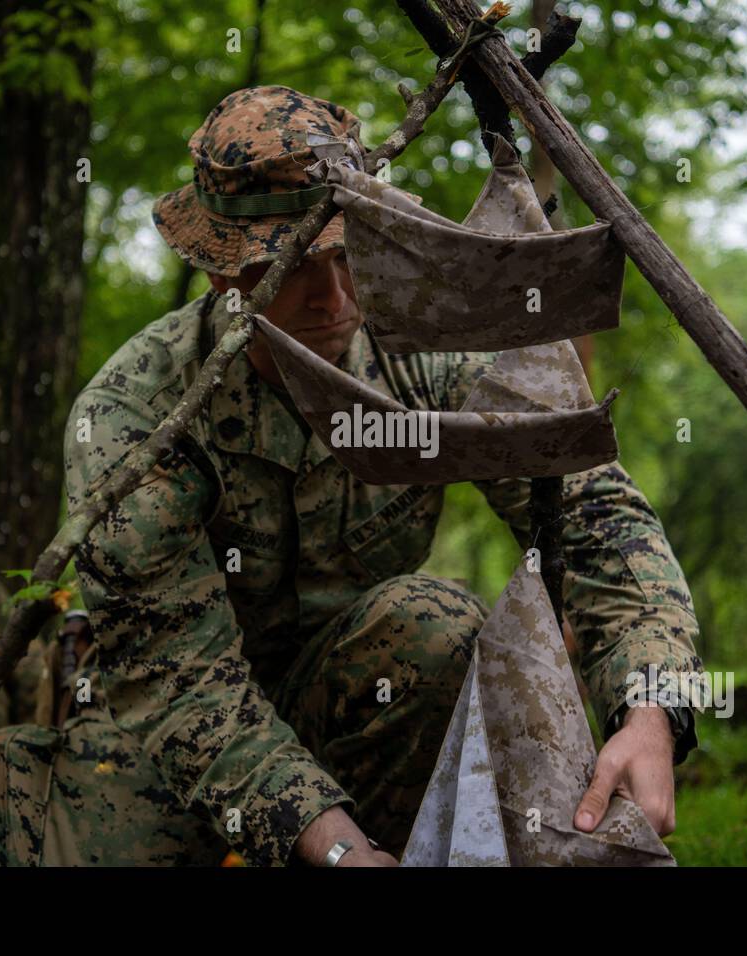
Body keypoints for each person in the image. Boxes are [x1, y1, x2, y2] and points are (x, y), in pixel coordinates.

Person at [63, 85, 703, 867]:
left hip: (350, 709)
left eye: (349, 255)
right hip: (169, 745)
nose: (334, 298)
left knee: (432, 627)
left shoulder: (423, 359)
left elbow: (595, 511)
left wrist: (652, 708)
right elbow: (181, 686)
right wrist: (334, 849)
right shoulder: (137, 416)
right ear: (221, 273)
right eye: (294, 264)